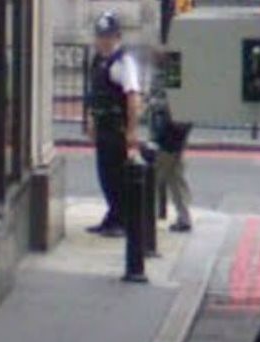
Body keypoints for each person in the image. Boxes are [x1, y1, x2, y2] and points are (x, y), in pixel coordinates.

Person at [83, 11, 143, 238]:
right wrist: (90, 118)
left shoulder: (123, 62)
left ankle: (121, 220)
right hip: (103, 125)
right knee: (105, 174)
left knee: (117, 175)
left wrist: (132, 130)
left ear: (118, 36)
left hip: (117, 126)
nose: (103, 41)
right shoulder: (99, 60)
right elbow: (95, 94)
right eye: (100, 36)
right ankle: (112, 216)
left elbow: (133, 97)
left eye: (108, 36)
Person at [148, 92, 194, 232]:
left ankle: (145, 219)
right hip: (176, 140)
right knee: (176, 179)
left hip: (167, 141)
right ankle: (184, 217)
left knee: (151, 180)